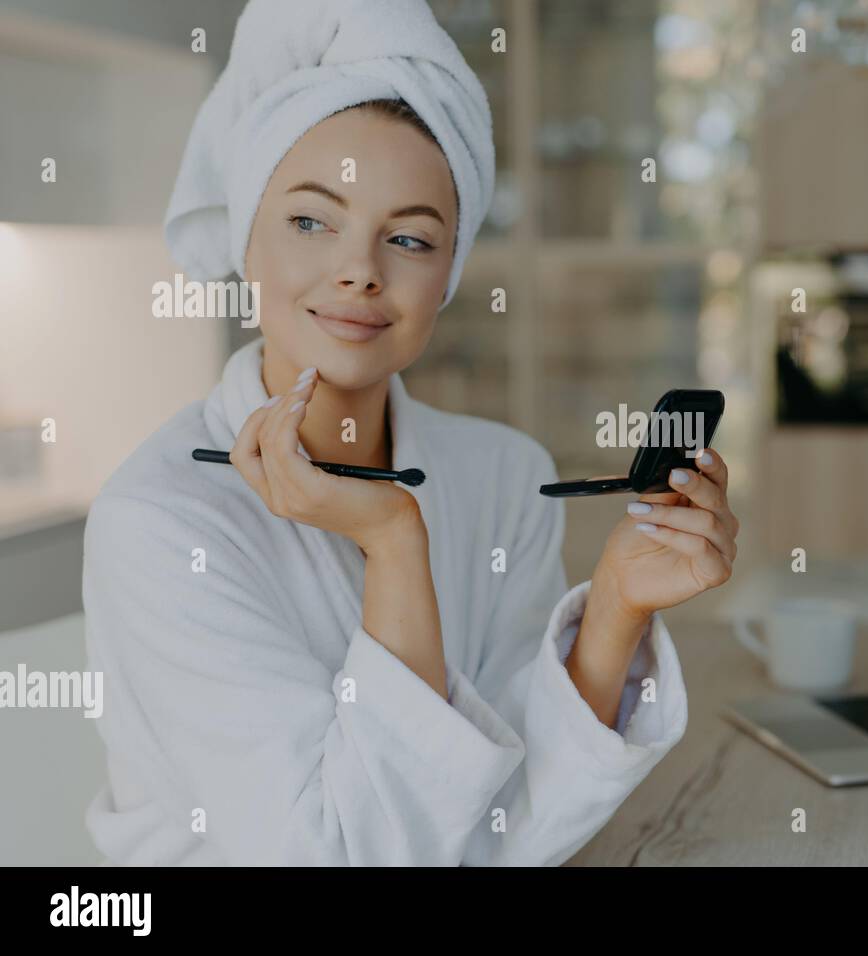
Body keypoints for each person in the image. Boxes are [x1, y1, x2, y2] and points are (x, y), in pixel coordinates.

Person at [82, 0, 738, 866]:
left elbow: (505, 827)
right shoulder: (161, 524)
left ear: (450, 275)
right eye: (311, 221)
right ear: (249, 245)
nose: (359, 268)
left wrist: (615, 608)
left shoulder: (505, 474)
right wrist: (393, 539)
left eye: (409, 238)